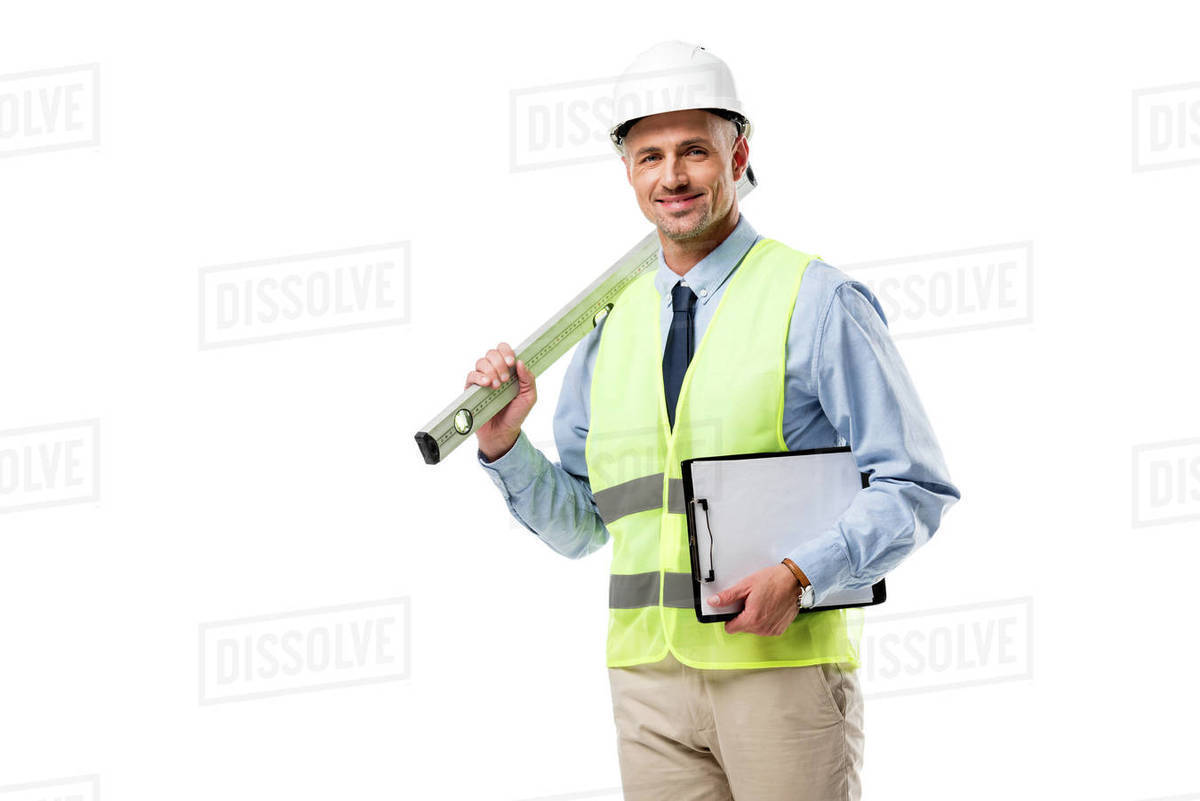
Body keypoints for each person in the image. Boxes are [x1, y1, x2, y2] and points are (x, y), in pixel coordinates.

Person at [466, 41, 960, 801]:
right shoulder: (609, 327)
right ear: (628, 171)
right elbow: (582, 526)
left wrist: (803, 576)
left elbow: (915, 485)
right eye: (650, 156)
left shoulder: (816, 300)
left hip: (780, 677)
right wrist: (504, 446)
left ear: (739, 157)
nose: (673, 176)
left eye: (695, 150)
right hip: (647, 687)